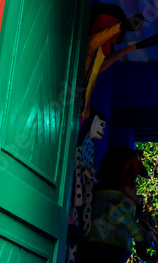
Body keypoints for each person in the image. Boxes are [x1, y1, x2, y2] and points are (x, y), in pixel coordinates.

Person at [78, 146, 149, 263]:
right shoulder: (116, 197)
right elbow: (122, 217)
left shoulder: (104, 194)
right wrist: (139, 241)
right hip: (107, 246)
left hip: (99, 245)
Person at [67, 110, 107, 263]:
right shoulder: (82, 145)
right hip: (75, 192)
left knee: (77, 233)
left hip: (83, 194)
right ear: (94, 121)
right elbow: (80, 165)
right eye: (101, 126)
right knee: (74, 229)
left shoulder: (90, 145)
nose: (102, 130)